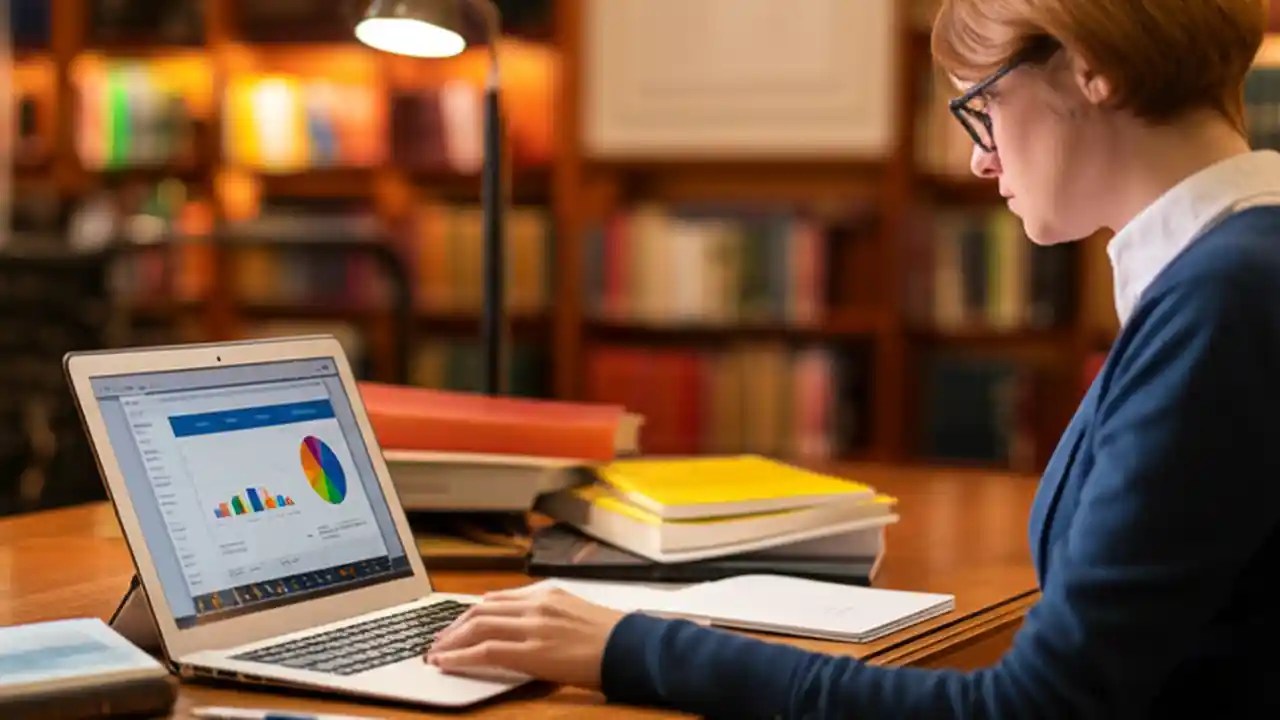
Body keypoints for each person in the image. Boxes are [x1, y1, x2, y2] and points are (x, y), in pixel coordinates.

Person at [425, 0, 1280, 716]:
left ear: (1091, 65)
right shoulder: (1230, 271)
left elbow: (1033, 708)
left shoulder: (1223, 302)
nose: (981, 157)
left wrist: (630, 649)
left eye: (983, 104)